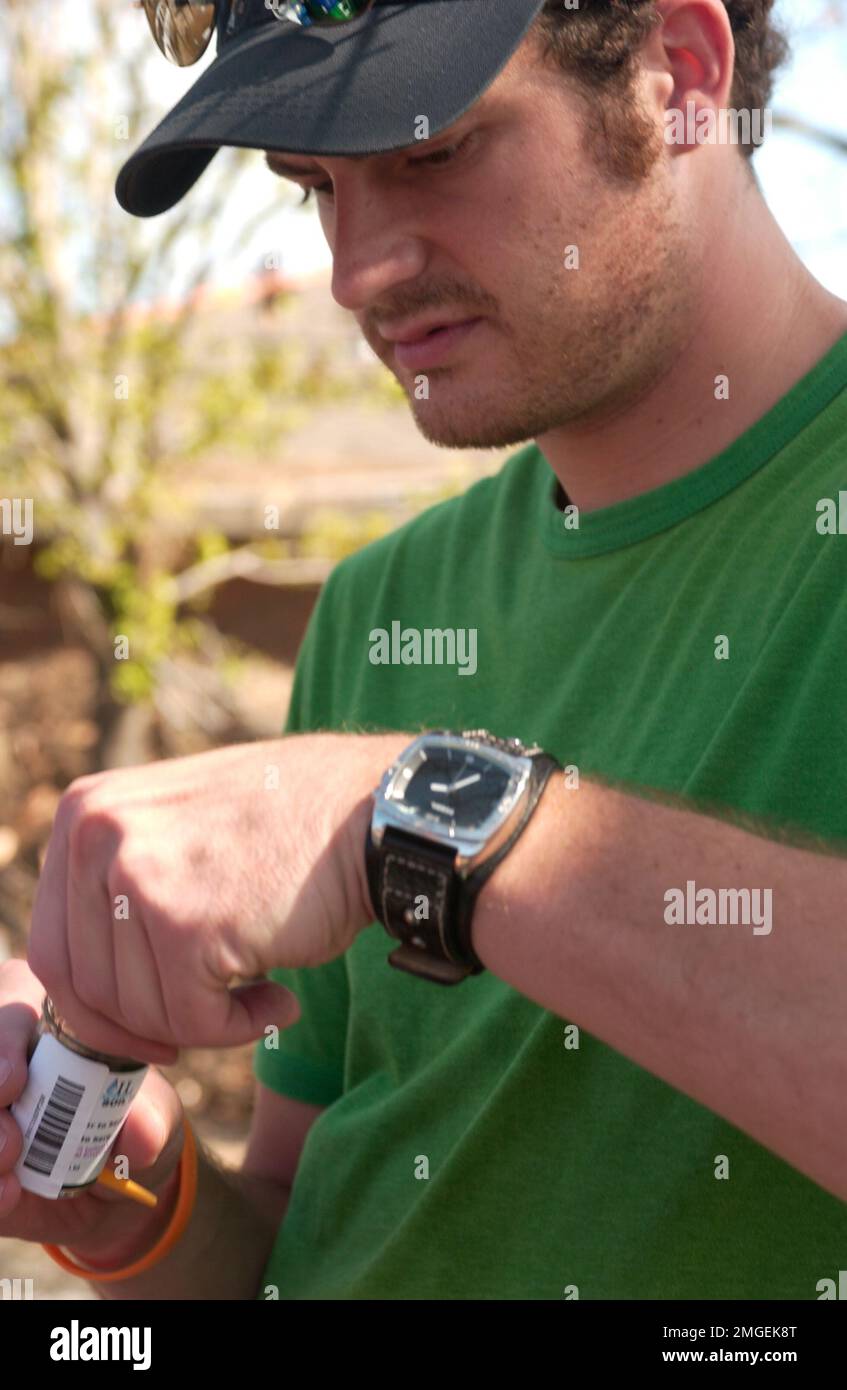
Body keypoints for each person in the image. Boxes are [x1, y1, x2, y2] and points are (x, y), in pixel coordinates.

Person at [2, 0, 847, 1301]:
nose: (356, 269)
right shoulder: (384, 604)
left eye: (430, 151)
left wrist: (418, 813)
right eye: (313, 187)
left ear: (679, 75)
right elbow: (298, 1227)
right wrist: (131, 1189)